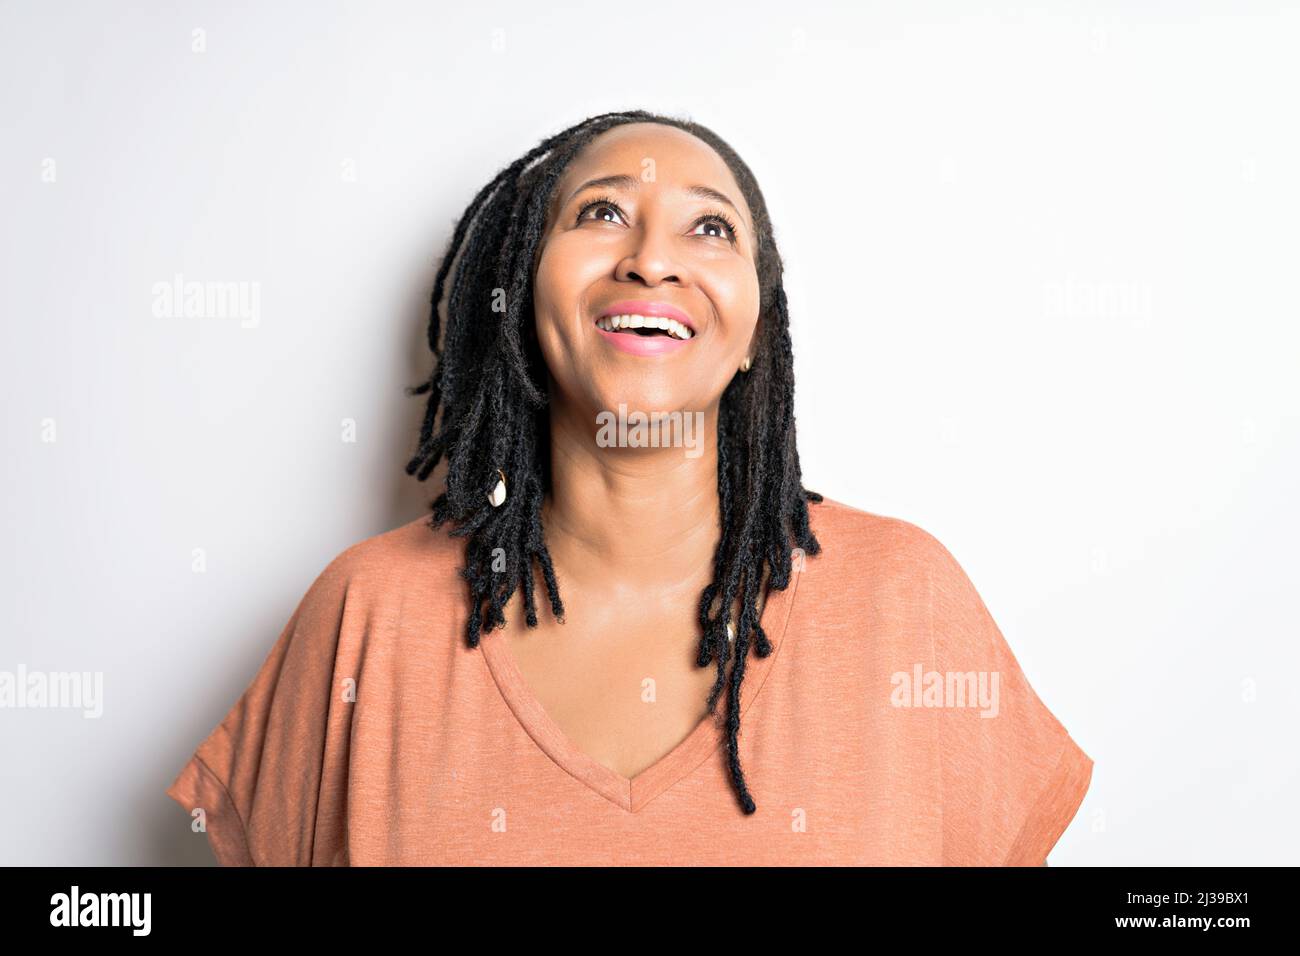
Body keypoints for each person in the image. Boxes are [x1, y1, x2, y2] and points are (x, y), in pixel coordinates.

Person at [165, 110, 1093, 866]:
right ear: (522, 291)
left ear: (757, 333)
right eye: (602, 214)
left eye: (711, 226)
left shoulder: (907, 604)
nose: (653, 258)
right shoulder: (365, 616)